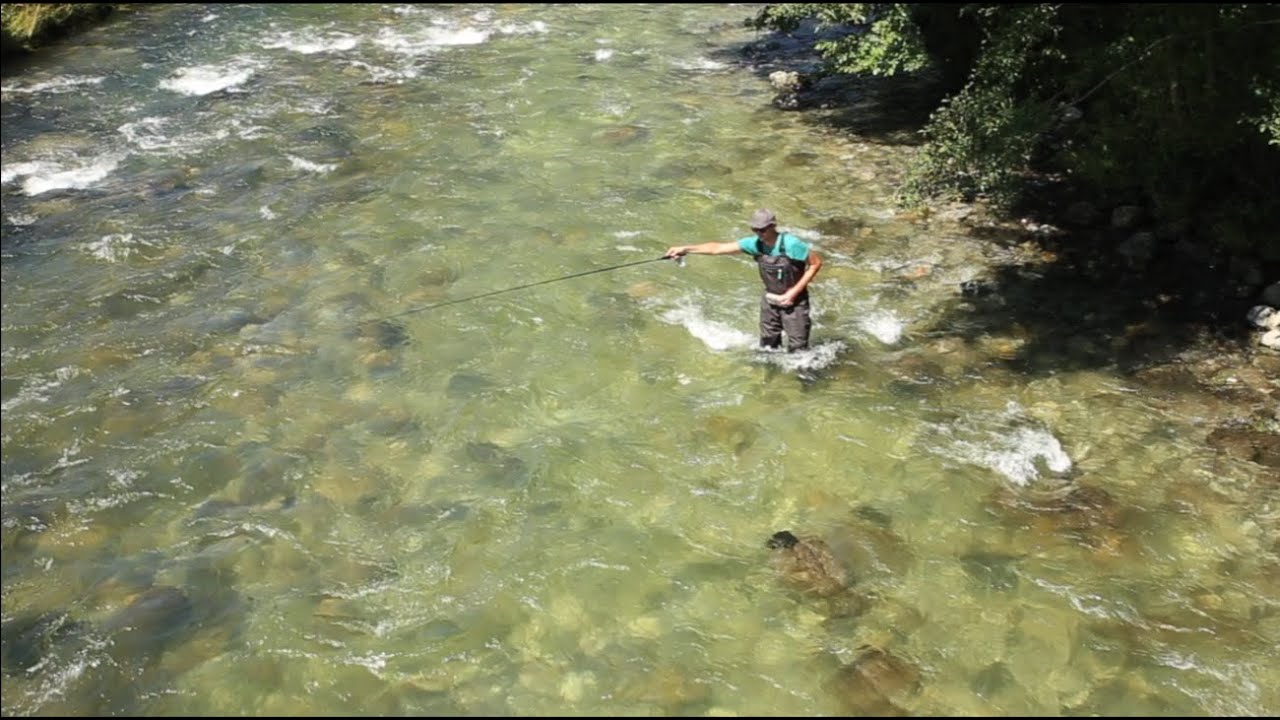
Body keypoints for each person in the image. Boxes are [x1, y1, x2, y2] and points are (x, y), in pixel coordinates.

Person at [664, 208, 823, 351]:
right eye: (755, 229)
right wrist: (686, 249)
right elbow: (717, 248)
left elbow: (816, 263)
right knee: (768, 346)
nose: (759, 234)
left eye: (763, 230)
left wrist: (792, 293)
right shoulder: (754, 244)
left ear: (773, 226)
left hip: (795, 303)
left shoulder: (791, 244)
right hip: (770, 301)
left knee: (798, 349)